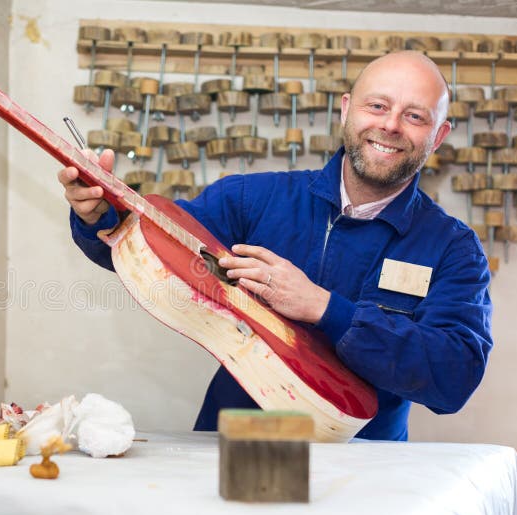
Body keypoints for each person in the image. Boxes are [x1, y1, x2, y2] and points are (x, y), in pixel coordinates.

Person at [57, 50, 493, 440]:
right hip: (239, 444)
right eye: (377, 106)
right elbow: (157, 247)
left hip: (368, 463)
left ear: (437, 136)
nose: (390, 125)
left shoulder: (454, 249)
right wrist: (99, 213)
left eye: (415, 116)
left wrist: (325, 308)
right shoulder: (251, 200)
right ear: (346, 110)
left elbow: (453, 376)